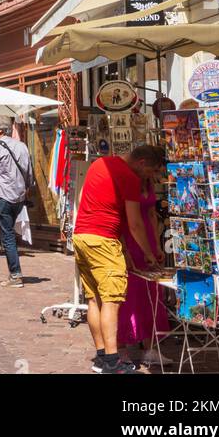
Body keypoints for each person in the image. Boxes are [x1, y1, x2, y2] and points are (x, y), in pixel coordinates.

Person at [72, 144, 166, 376]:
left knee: (95, 299)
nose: (150, 177)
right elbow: (135, 224)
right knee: (112, 300)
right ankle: (113, 363)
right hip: (102, 240)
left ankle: (103, 356)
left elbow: (90, 200)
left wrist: (123, 247)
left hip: (83, 235)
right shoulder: (128, 177)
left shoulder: (98, 165)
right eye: (151, 171)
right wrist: (148, 253)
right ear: (142, 162)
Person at [118, 160, 169, 359]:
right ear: (142, 163)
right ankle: (123, 344)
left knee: (152, 291)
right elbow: (124, 217)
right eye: (153, 169)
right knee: (131, 291)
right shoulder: (127, 183)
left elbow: (151, 214)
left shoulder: (147, 184)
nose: (155, 173)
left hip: (147, 235)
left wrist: (156, 245)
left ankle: (150, 347)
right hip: (132, 237)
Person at [0, 115, 34, 288]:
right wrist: (26, 189)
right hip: (19, 196)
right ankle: (15, 273)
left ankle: (16, 275)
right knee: (10, 233)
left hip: (3, 195)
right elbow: (29, 172)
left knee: (8, 236)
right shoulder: (22, 146)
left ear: (1, 130)